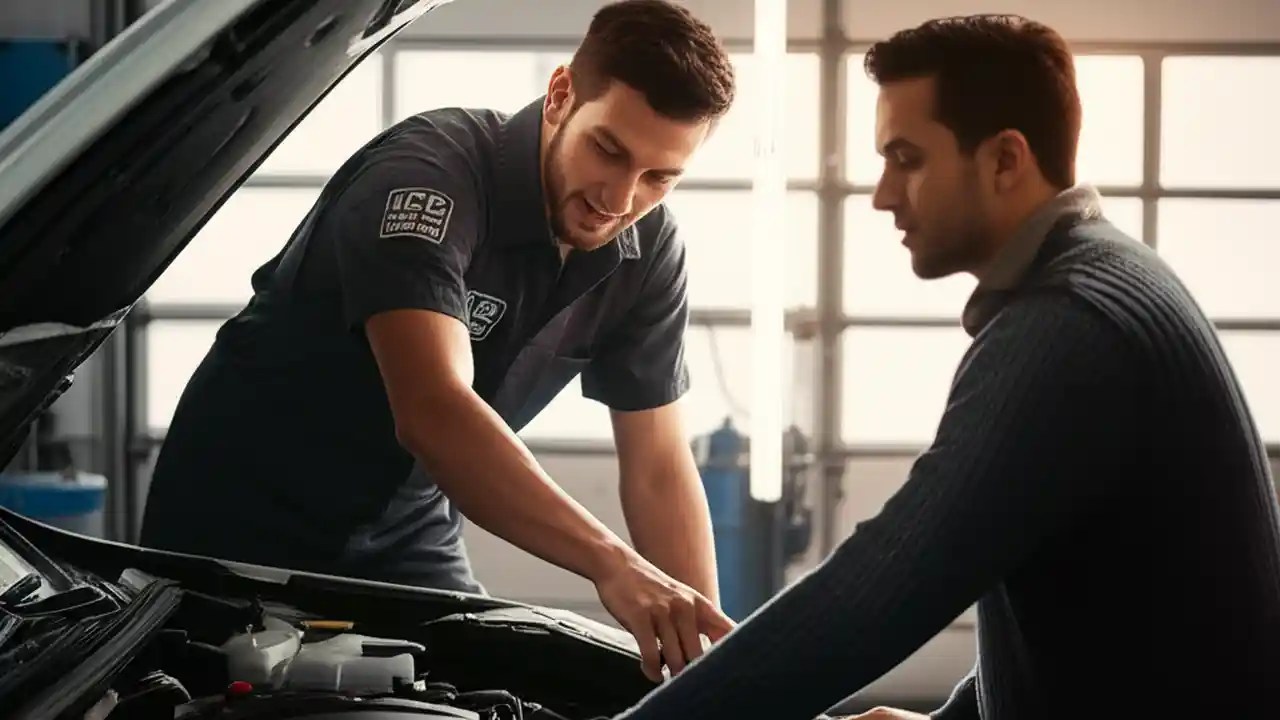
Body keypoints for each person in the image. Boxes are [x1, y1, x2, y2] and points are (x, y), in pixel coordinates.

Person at [611, 14, 1280, 720]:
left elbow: (879, 593)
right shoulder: (1104, 279)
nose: (882, 195)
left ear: (1004, 160)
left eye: (907, 159)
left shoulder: (1071, 330)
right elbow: (1089, 619)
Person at [139, 0, 738, 681]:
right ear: (562, 94)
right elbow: (434, 411)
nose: (622, 197)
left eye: (660, 177)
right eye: (609, 149)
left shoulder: (648, 251)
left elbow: (658, 465)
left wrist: (712, 660)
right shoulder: (429, 178)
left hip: (410, 534)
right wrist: (613, 563)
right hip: (237, 522)